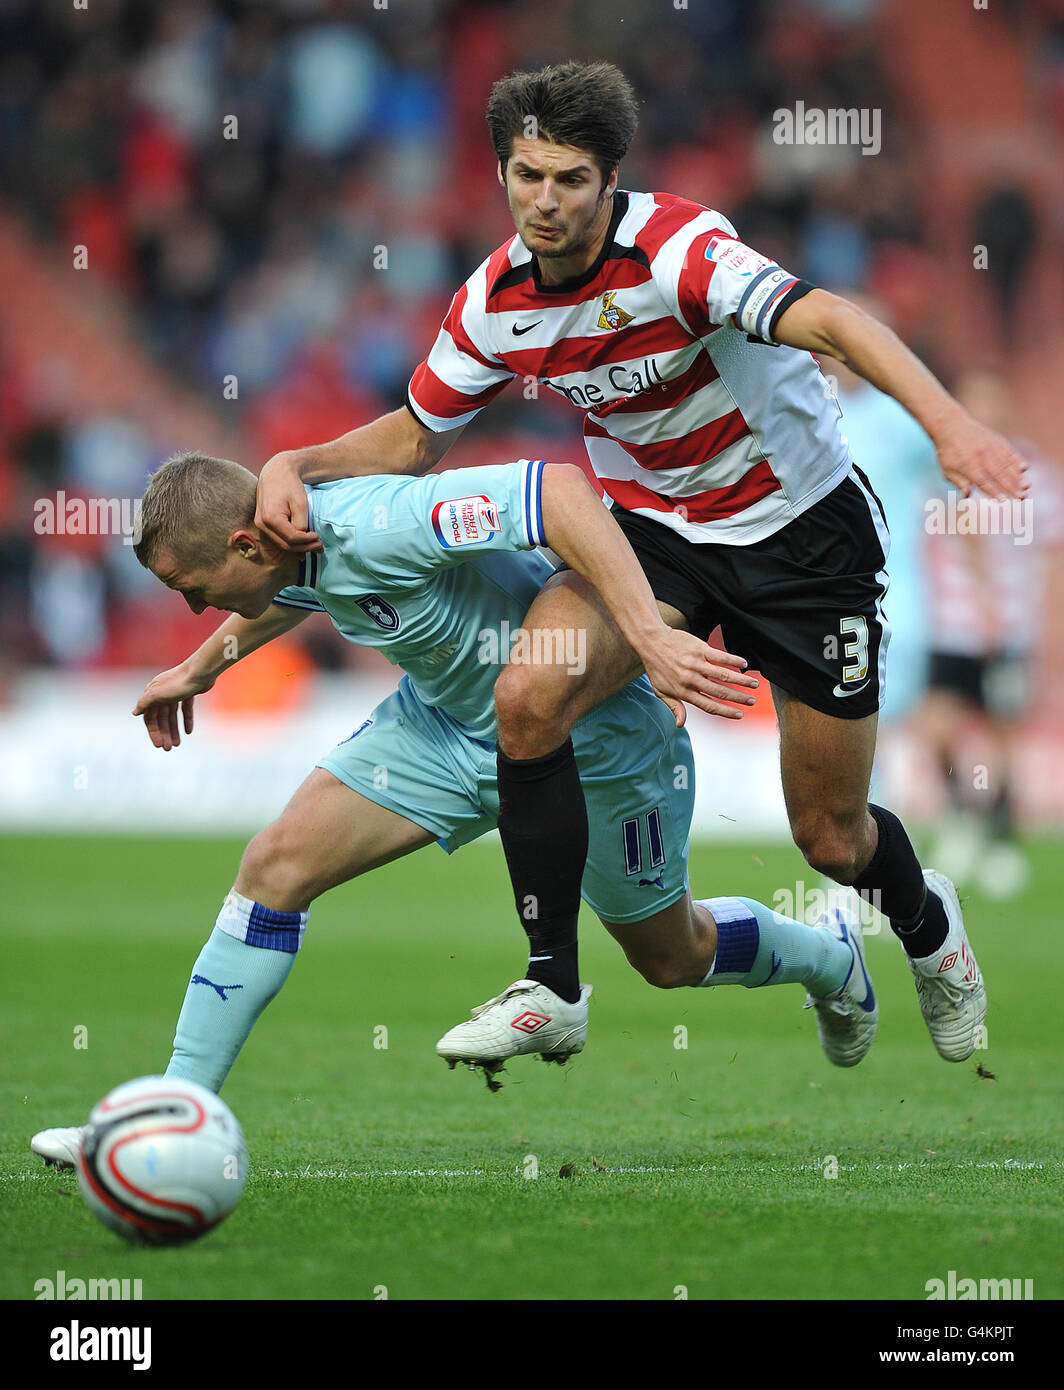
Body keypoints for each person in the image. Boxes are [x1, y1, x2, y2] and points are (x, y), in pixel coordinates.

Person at [254, 62, 1026, 1066]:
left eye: (569, 178)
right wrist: (291, 460)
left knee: (829, 837)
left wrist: (951, 427)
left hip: (801, 538)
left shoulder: (677, 253)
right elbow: (411, 437)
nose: (544, 199)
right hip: (655, 535)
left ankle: (926, 929)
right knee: (526, 697)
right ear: (499, 172)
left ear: (610, 179)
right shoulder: (493, 302)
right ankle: (550, 981)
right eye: (526, 175)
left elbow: (832, 319)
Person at [32, 450, 875, 1168]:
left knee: (670, 955)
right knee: (273, 867)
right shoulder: (288, 551)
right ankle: (173, 1121)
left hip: (589, 739)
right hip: (440, 728)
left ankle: (830, 959)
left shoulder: (381, 518)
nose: (193, 606)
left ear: (244, 540)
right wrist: (200, 668)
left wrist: (646, 633)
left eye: (193, 586)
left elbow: (557, 494)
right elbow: (288, 593)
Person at [918, 367, 1063, 898]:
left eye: (990, 398)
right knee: (935, 729)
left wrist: (1036, 623)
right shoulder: (944, 465)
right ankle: (963, 817)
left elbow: (1050, 553)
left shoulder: (1035, 473)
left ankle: (1000, 839)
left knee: (1003, 733)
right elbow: (939, 535)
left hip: (1010, 630)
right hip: (954, 626)